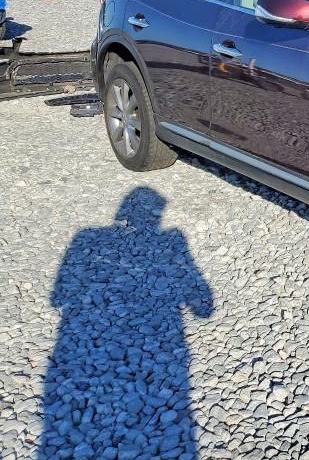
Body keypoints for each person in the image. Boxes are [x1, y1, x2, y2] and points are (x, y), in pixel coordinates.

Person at [40, 187, 212, 459]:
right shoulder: (172, 237)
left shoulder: (87, 236)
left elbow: (58, 297)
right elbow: (199, 296)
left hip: (77, 329)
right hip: (170, 340)